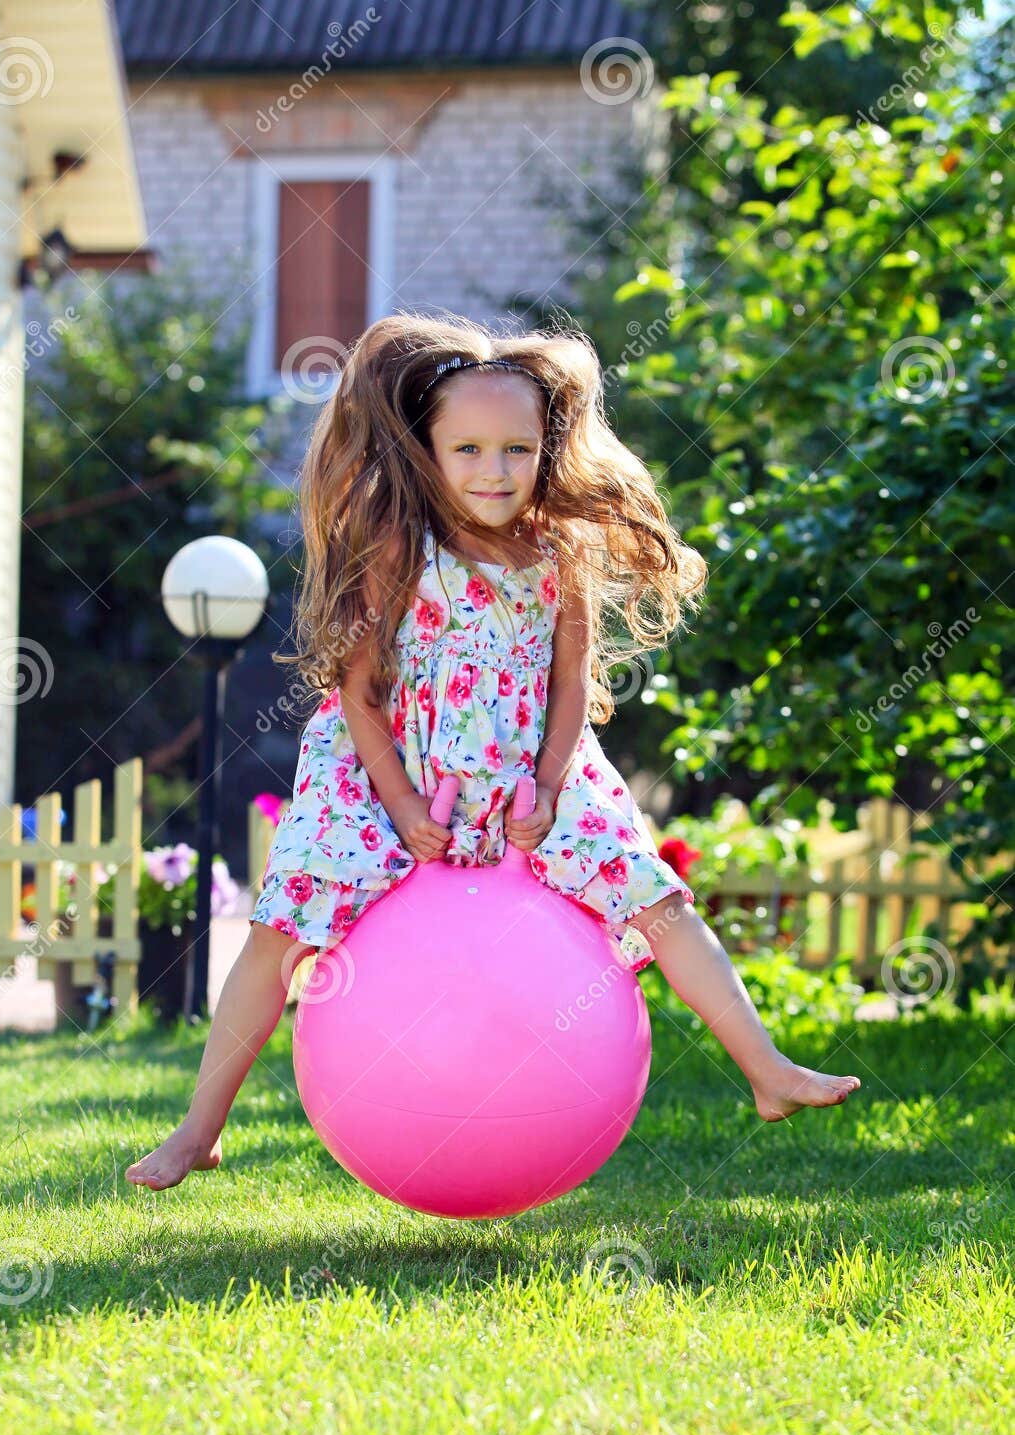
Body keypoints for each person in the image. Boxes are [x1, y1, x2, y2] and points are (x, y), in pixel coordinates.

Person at [126, 313, 860, 1191]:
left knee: (658, 901)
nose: (493, 470)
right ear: (427, 449)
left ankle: (767, 1071)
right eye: (467, 449)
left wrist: (549, 787)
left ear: (546, 450)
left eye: (516, 449)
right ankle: (198, 1128)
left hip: (525, 770)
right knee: (279, 933)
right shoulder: (400, 545)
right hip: (386, 770)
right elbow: (358, 694)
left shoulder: (560, 548)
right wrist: (398, 805)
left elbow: (570, 684)